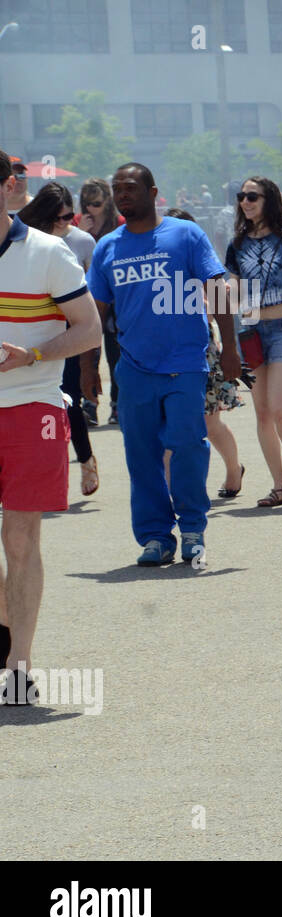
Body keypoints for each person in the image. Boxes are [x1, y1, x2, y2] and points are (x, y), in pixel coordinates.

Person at [87, 162, 240, 566]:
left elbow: (218, 287)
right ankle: (156, 537)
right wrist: (88, 368)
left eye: (131, 187)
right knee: (141, 455)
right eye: (117, 188)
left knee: (188, 446)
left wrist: (230, 348)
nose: (122, 194)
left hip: (185, 363)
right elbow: (95, 314)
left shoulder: (185, 234)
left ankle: (192, 529)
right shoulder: (107, 248)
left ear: (153, 193)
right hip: (134, 369)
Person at [0, 150, 102, 704]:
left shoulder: (46, 251)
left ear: (7, 188)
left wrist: (34, 357)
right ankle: (7, 627)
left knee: (20, 538)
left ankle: (20, 665)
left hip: (30, 407)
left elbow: (88, 330)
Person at [225, 176, 282, 507]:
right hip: (251, 331)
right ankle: (278, 486)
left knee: (279, 407)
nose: (245, 202)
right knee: (262, 412)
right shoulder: (236, 245)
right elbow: (233, 295)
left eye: (253, 196)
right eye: (241, 196)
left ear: (270, 200)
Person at [17, 182, 100, 496]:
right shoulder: (24, 240)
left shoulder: (81, 242)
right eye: (58, 217)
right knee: (35, 402)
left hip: (70, 334)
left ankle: (85, 459)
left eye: (68, 217)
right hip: (30, 331)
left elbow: (93, 302)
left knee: (68, 401)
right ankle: (47, 469)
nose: (63, 224)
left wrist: (92, 356)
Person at [167, 208, 245, 499]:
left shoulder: (203, 266)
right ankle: (174, 488)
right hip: (168, 354)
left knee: (210, 423)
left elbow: (217, 309)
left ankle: (234, 469)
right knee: (169, 425)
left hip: (203, 351)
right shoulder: (163, 266)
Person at [76, 179, 125, 427]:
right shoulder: (76, 224)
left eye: (96, 203)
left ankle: (117, 405)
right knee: (88, 354)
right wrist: (81, 232)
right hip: (85, 300)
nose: (91, 209)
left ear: (108, 201)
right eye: (86, 203)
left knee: (117, 354)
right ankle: (90, 404)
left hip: (116, 299)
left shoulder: (120, 224)